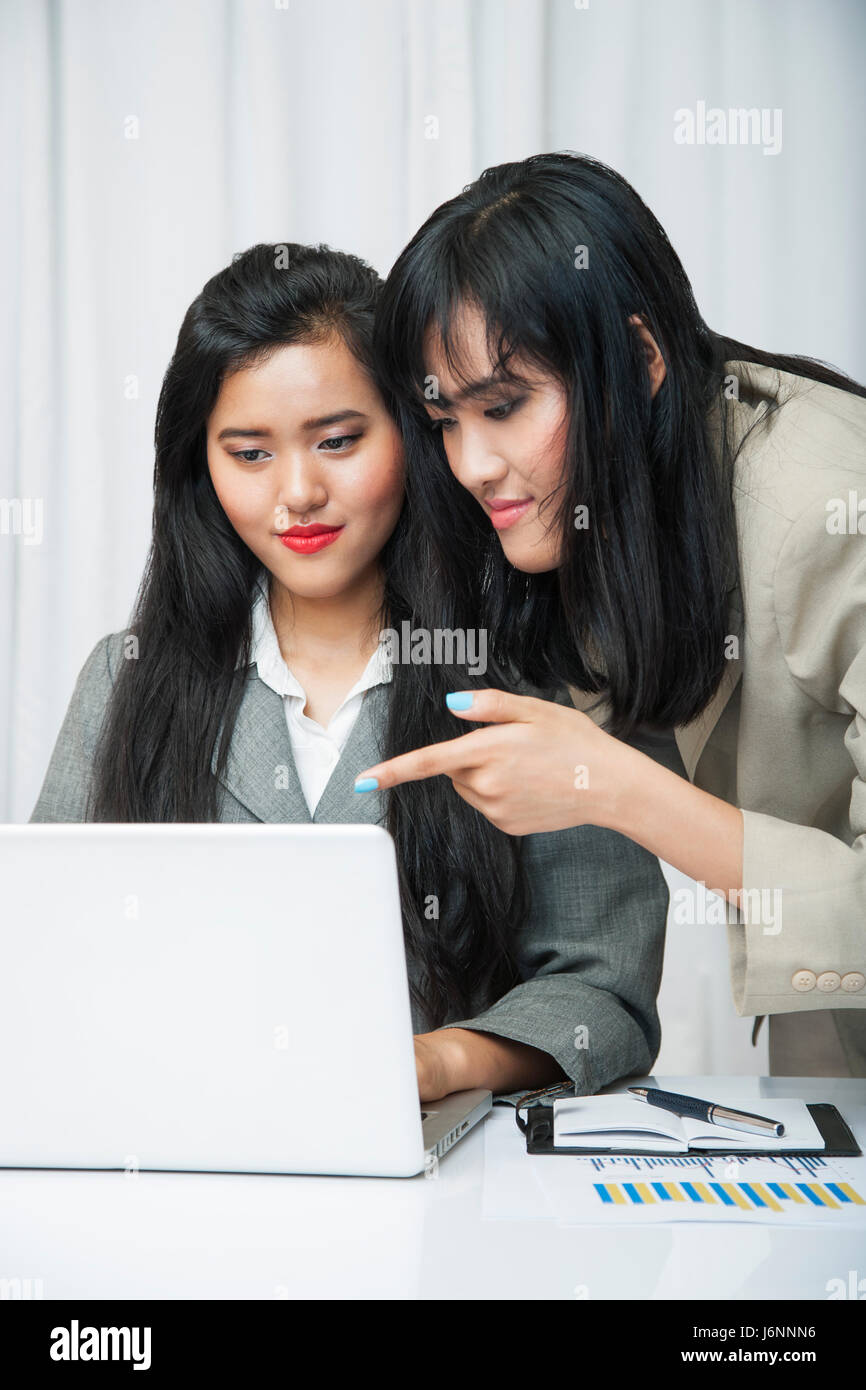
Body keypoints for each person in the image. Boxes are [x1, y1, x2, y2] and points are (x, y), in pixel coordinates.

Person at [29, 240, 670, 1103]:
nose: (297, 493)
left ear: (413, 431)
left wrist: (440, 1061)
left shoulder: (531, 672)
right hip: (182, 1169)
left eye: (337, 440)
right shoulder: (127, 678)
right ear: (200, 465)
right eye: (249, 453)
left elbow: (602, 989)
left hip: (451, 1187)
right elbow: (44, 955)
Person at [356, 151, 866, 1078]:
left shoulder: (831, 509)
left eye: (504, 407)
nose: (471, 464)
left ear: (638, 361)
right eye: (445, 421)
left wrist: (608, 786)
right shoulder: (600, 514)